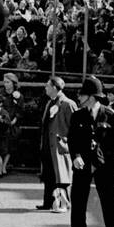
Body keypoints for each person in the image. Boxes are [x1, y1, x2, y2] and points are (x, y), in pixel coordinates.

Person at [69, 76, 114, 227]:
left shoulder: (110, 115)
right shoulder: (77, 115)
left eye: (82, 94)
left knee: (108, 201)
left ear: (91, 96)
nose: (79, 97)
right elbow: (72, 140)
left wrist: (101, 159)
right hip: (82, 164)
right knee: (79, 199)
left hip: (104, 165)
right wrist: (76, 156)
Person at [38, 74, 76, 211]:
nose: (45, 88)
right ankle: (48, 202)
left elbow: (74, 127)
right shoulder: (50, 102)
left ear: (55, 87)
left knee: (62, 176)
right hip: (48, 144)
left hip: (60, 145)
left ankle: (64, 203)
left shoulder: (68, 104)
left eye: (48, 85)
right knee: (49, 174)